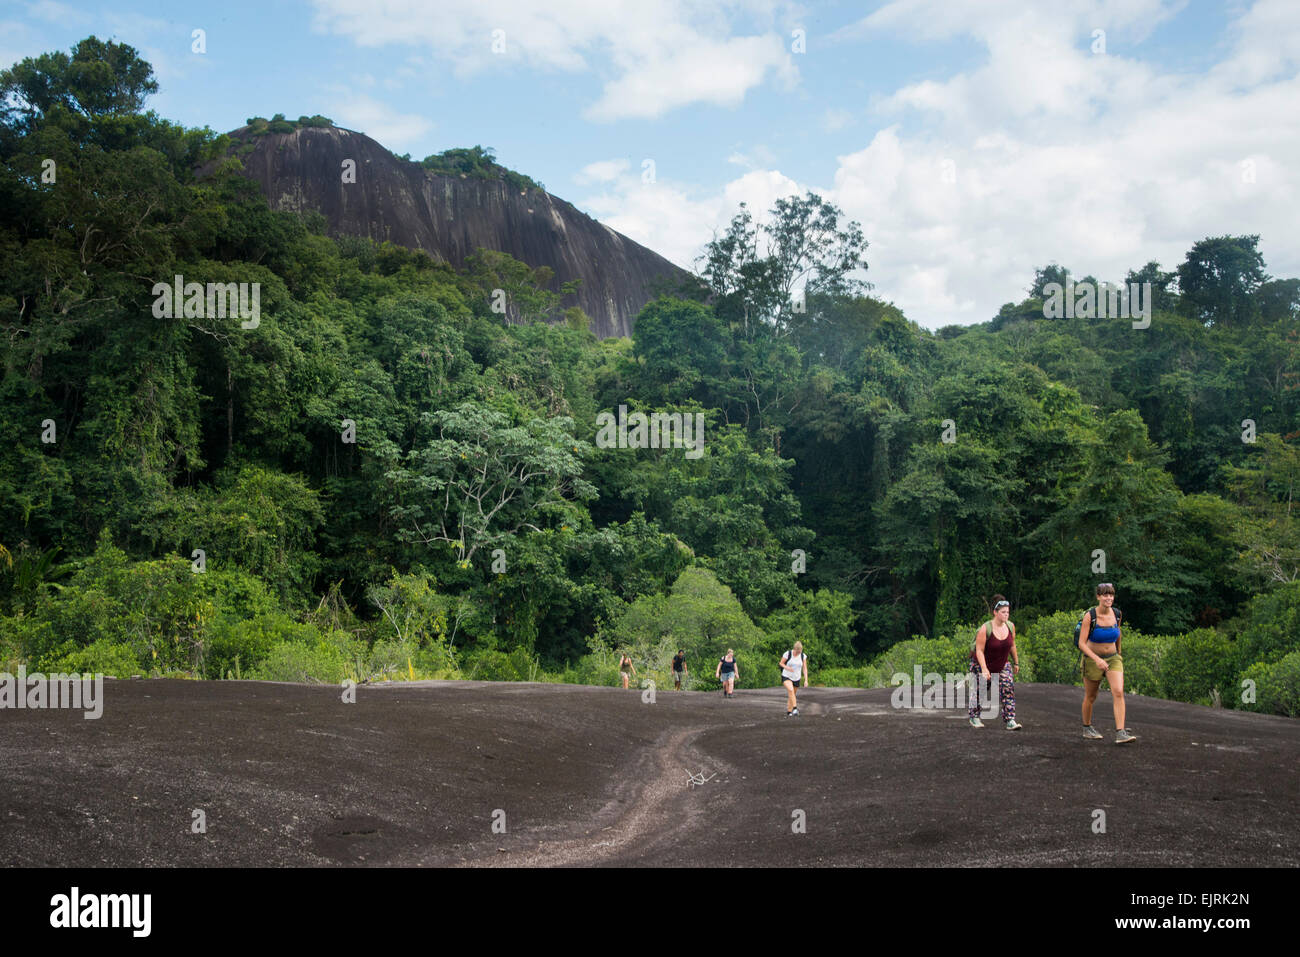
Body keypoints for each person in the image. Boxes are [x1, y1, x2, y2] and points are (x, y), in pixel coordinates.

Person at [1079, 583, 1136, 744]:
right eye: (1105, 595)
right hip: (1092, 659)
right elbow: (1082, 643)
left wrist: (1119, 653)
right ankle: (1087, 728)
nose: (1108, 598)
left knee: (1118, 691)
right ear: (1098, 597)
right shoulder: (1090, 616)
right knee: (1091, 696)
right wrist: (1097, 660)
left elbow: (1118, 632)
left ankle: (1121, 732)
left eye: (1111, 595)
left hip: (1112, 658)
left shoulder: (1117, 614)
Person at [968, 596, 1022, 730]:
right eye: (1003, 612)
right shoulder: (985, 628)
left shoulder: (1010, 626)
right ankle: (974, 717)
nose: (1006, 615)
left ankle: (1010, 720)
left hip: (1002, 663)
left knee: (1008, 688)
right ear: (995, 612)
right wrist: (984, 669)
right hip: (982, 664)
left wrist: (1016, 662)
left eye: (1008, 612)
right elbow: (979, 651)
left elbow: (1012, 645)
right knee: (980, 690)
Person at [779, 641, 808, 717]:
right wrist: (787, 667)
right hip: (786, 675)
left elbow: (804, 668)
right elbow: (781, 663)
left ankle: (789, 712)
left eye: (800, 651)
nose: (798, 653)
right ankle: (795, 708)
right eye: (797, 651)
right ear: (794, 649)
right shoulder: (788, 654)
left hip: (796, 677)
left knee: (792, 695)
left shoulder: (803, 656)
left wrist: (806, 680)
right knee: (791, 690)